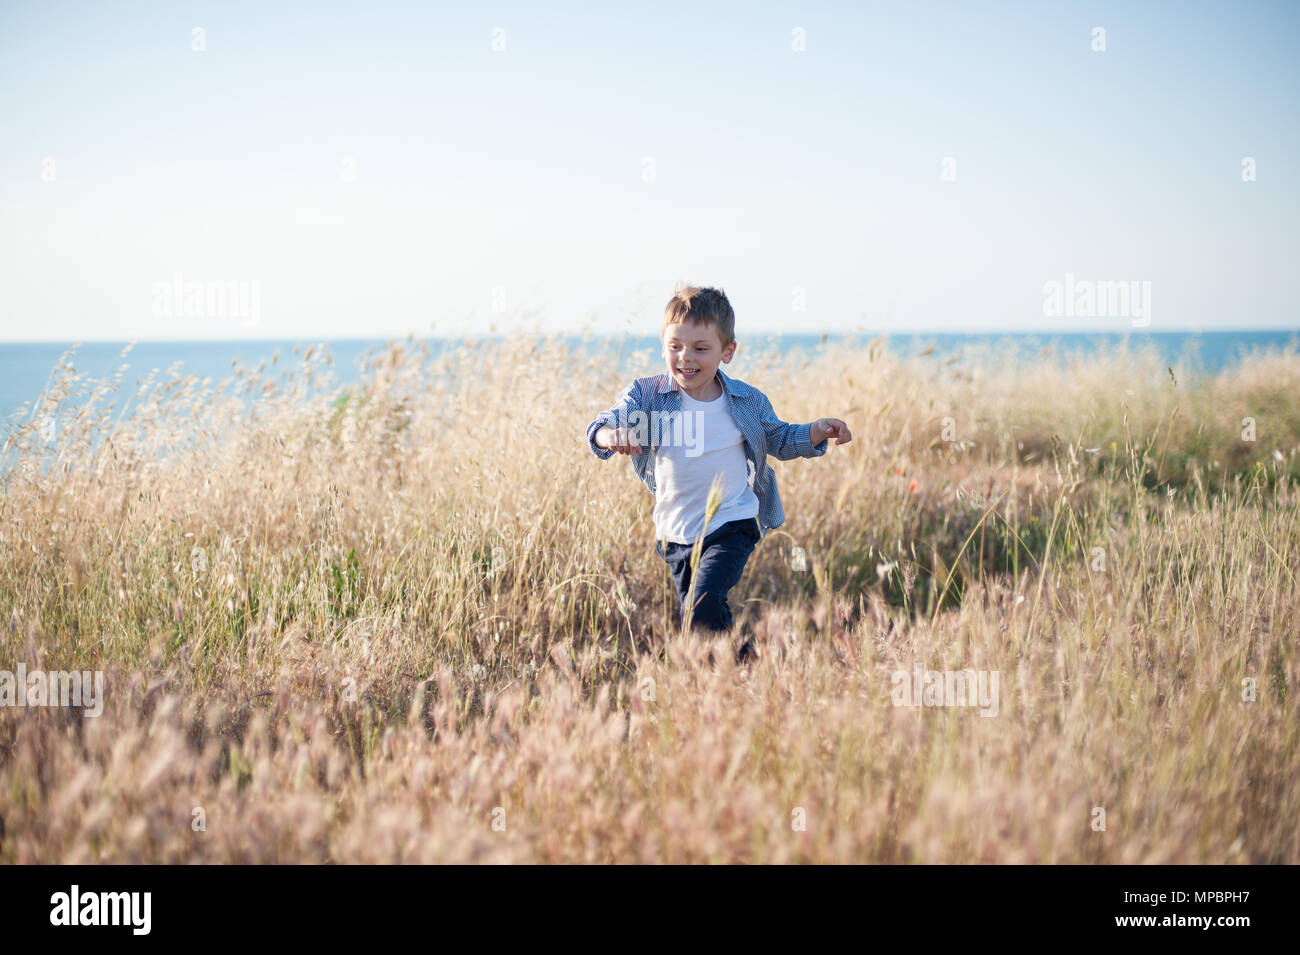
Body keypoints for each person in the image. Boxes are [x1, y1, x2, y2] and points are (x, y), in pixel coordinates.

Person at [586, 284, 852, 663]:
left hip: (732, 522)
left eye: (700, 348)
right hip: (677, 533)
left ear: (727, 352)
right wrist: (611, 434)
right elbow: (600, 424)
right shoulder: (647, 396)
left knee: (701, 605)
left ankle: (738, 672)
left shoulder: (745, 401)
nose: (685, 358)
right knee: (700, 628)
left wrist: (816, 430)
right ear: (663, 345)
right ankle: (745, 670)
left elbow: (779, 437)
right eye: (675, 346)